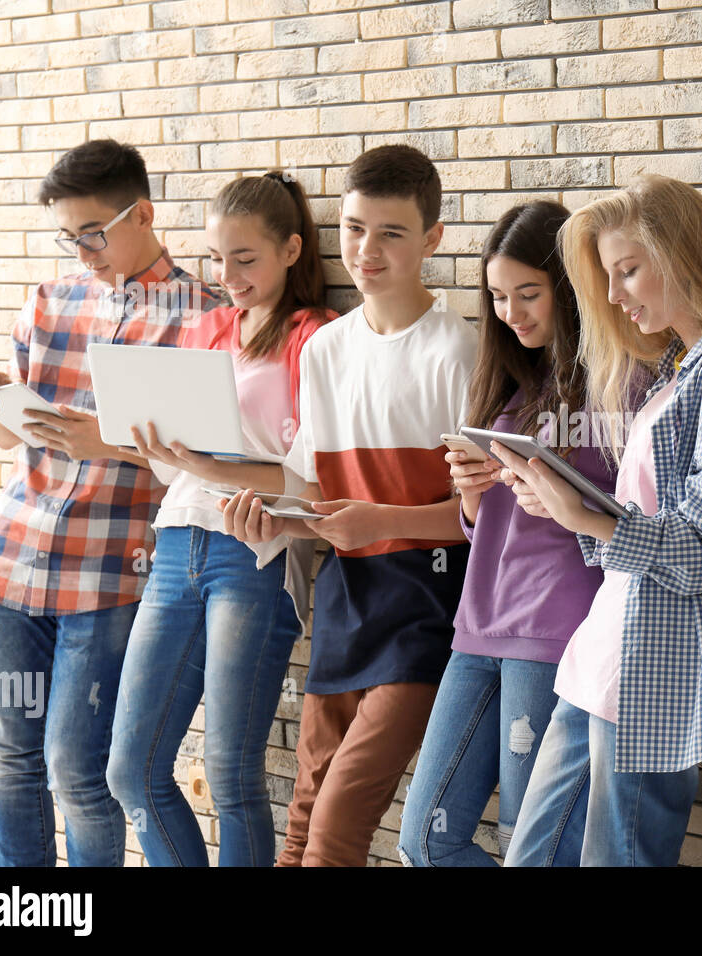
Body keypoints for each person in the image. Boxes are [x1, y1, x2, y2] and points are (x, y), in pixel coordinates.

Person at [497, 175, 702, 867]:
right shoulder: (680, 369)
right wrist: (567, 507)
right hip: (606, 654)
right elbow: (645, 532)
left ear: (681, 255)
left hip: (657, 669)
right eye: (609, 275)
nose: (617, 294)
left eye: (628, 270)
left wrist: (587, 519)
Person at [0, 139, 219, 866]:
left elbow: (207, 464)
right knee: (11, 755)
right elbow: (15, 438)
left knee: (79, 771)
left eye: (93, 233)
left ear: (145, 213)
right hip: (11, 566)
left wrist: (106, 443)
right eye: (68, 236)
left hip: (110, 578)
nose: (82, 251)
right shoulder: (48, 300)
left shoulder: (204, 315)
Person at [221, 145, 478, 866]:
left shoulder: (457, 354)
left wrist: (380, 522)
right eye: (355, 228)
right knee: (300, 828)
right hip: (344, 602)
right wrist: (272, 518)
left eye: (391, 233)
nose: (366, 251)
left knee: (334, 833)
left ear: (432, 239)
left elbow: (480, 518)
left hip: (425, 612)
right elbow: (311, 488)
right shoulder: (325, 348)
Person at [106, 172, 336, 866]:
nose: (227, 276)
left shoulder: (315, 336)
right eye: (216, 258)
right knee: (131, 770)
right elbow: (183, 470)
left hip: (253, 552)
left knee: (233, 776)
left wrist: (210, 467)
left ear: (292, 250)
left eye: (245, 258)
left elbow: (310, 479)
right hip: (177, 544)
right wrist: (158, 450)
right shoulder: (207, 327)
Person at [397, 201, 617, 866]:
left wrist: (554, 483)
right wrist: (470, 494)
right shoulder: (504, 383)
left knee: (531, 844)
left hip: (555, 629)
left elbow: (619, 513)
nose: (511, 313)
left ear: (571, 290)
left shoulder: (608, 385)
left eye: (529, 294)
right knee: (426, 843)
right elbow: (483, 524)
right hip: (478, 625)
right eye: (496, 296)